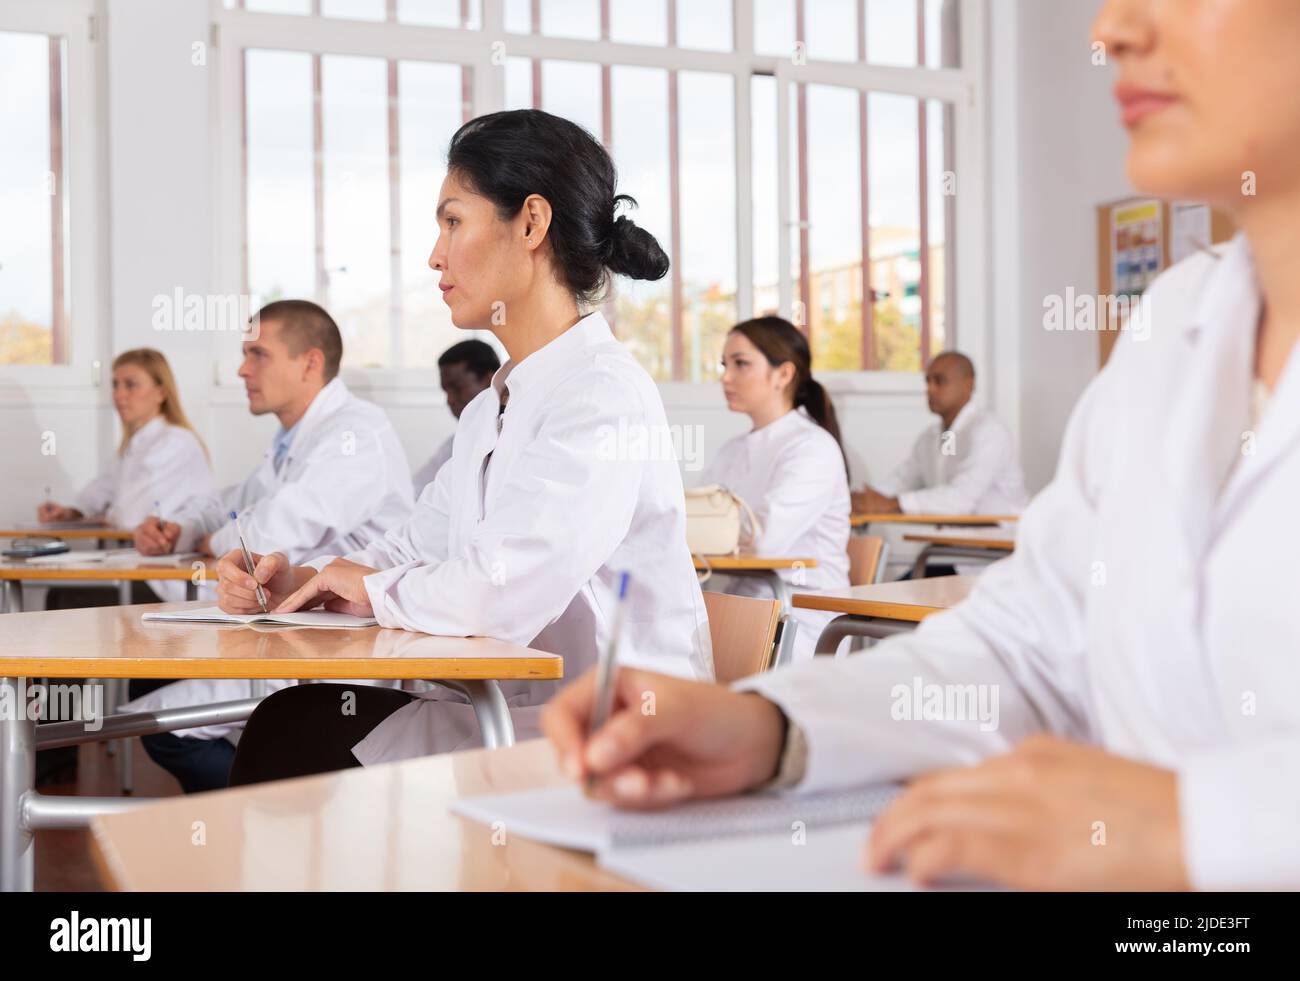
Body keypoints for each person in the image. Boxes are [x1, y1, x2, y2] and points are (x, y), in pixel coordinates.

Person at [540, 0, 1300, 891]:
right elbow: (1029, 647)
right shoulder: (1176, 326)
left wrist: (1198, 828)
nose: (1112, 31)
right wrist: (777, 729)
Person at [215, 109, 712, 785]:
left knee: (295, 738)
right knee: (292, 722)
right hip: (508, 709)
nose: (435, 255)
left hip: (611, 729)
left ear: (531, 223)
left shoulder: (601, 396)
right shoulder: (491, 408)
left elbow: (498, 595)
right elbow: (411, 546)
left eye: (453, 221)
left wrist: (371, 588)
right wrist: (310, 581)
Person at [123, 299, 415, 793]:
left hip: (340, 654)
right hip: (289, 632)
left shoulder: (355, 435)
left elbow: (265, 536)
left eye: (257, 354)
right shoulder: (291, 440)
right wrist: (180, 525)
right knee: (146, 683)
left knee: (168, 724)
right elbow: (228, 505)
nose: (241, 369)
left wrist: (209, 537)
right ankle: (254, 821)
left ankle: (253, 830)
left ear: (310, 362)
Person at [698, 316, 850, 660]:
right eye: (725, 365)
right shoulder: (732, 450)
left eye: (740, 364)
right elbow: (691, 522)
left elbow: (763, 540)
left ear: (783, 374)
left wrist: (706, 530)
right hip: (742, 607)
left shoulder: (813, 448)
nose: (725, 377)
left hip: (797, 616)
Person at [38, 348, 214, 606]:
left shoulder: (175, 442)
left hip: (164, 579)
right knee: (59, 594)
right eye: (115, 385)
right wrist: (71, 511)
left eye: (130, 385)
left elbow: (130, 516)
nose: (119, 395)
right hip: (139, 568)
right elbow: (104, 489)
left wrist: (109, 514)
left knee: (61, 598)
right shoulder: (134, 444)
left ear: (161, 392)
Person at [851, 351, 1027, 522]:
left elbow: (960, 500)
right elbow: (902, 481)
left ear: (969, 384)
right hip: (956, 539)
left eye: (940, 381)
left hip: (1001, 539)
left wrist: (892, 503)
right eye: (927, 381)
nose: (930, 389)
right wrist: (862, 499)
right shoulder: (931, 437)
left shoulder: (989, 432)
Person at [411, 338, 500, 492]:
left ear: (491, 380)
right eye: (446, 391)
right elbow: (415, 491)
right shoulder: (453, 445)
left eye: (457, 388)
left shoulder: (516, 436)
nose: (450, 400)